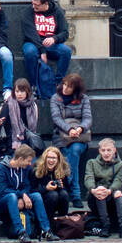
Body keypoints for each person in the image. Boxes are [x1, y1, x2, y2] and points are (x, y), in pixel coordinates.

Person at [0, 144, 52, 243]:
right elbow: (2, 190)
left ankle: (46, 230)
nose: (30, 164)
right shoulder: (0, 168)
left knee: (36, 196)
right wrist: (21, 195)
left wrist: (23, 195)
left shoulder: (24, 169)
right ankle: (21, 232)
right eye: (28, 161)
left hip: (16, 197)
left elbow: (27, 186)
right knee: (11, 197)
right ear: (21, 159)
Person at [50, 73, 92, 206]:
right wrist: (69, 129)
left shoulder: (84, 99)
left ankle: (71, 188)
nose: (65, 88)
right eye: (64, 84)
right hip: (61, 136)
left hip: (80, 137)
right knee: (68, 152)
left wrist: (80, 128)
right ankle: (75, 195)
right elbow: (56, 119)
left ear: (76, 89)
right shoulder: (56, 98)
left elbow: (88, 118)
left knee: (73, 151)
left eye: (69, 87)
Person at [21, 0, 71, 96]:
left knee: (66, 51)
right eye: (33, 3)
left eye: (37, 5)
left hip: (51, 44)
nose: (33, 7)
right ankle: (33, 85)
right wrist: (42, 50)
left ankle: (58, 84)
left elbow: (65, 33)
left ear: (46, 3)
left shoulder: (57, 12)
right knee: (30, 53)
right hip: (33, 43)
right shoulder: (27, 12)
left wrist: (54, 38)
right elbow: (31, 34)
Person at [85, 137, 122, 239]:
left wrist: (109, 191)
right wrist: (93, 189)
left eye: (109, 150)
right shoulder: (91, 163)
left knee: (118, 193)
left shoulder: (120, 165)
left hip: (111, 197)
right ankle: (105, 225)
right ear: (99, 151)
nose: (106, 153)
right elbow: (88, 178)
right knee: (100, 190)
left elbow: (118, 181)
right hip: (95, 198)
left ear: (114, 150)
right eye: (103, 150)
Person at [31, 146, 71, 230]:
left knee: (63, 194)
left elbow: (68, 190)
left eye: (54, 158)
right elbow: (32, 190)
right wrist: (46, 188)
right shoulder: (36, 170)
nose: (51, 160)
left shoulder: (62, 170)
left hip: (57, 200)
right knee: (53, 195)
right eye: (49, 157)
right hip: (42, 200)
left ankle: (62, 224)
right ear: (44, 158)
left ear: (58, 160)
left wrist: (61, 187)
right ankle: (48, 226)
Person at [0, 78, 41, 154]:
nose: (19, 94)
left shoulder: (33, 106)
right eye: (17, 91)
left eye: (22, 91)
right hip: (12, 142)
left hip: (29, 142)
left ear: (27, 92)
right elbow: (1, 127)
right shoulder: (8, 105)